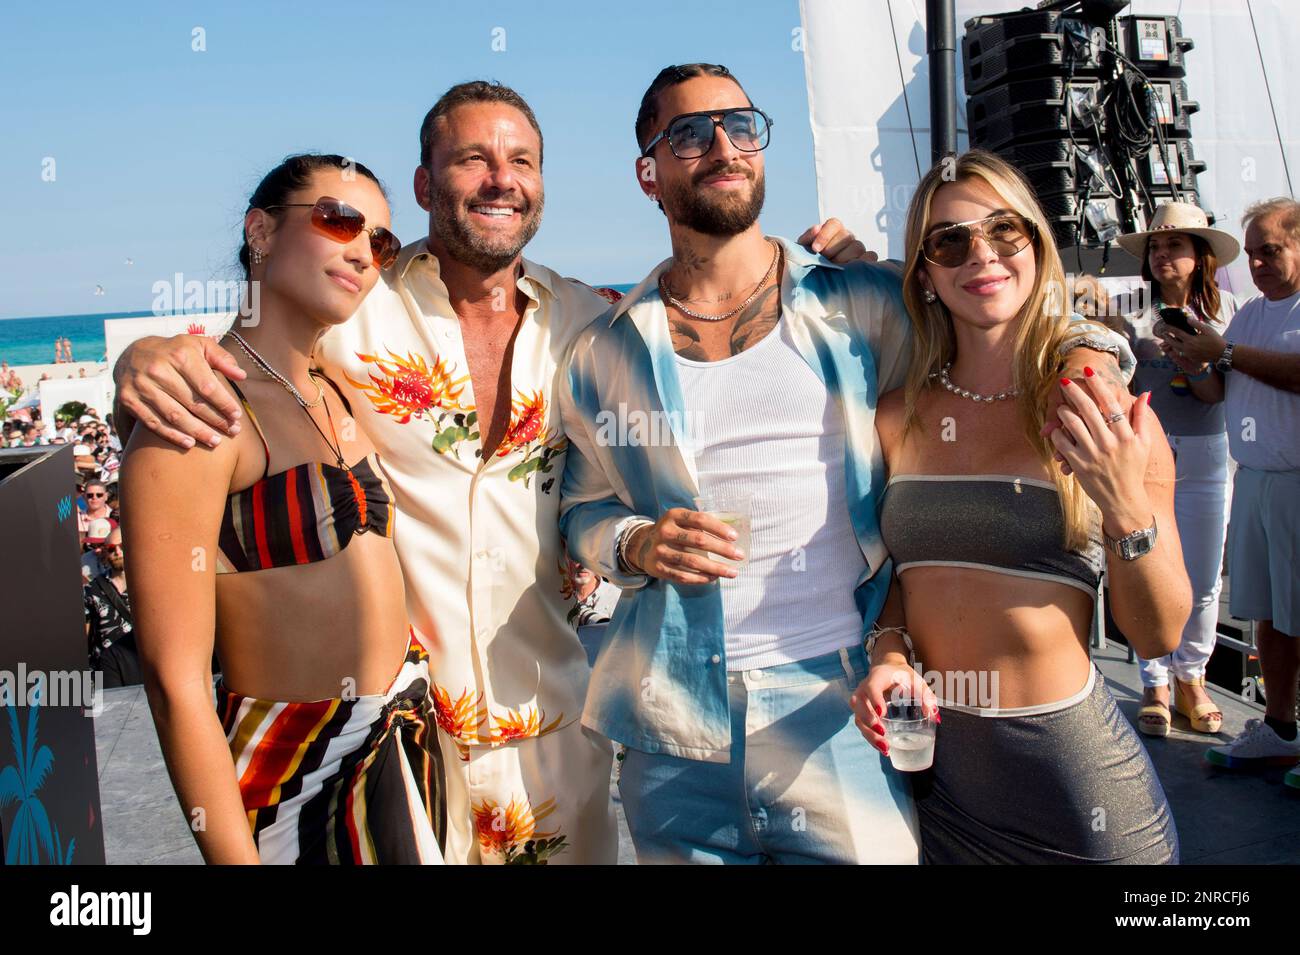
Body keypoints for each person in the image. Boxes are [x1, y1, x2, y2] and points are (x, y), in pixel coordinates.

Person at [112, 82, 869, 864]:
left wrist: (844, 276)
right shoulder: (353, 305)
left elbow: (710, 323)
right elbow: (244, 366)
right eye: (473, 159)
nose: (501, 178)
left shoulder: (592, 324)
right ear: (424, 184)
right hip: (402, 752)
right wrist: (139, 366)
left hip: (558, 740)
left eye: (522, 161)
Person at [557, 67, 1135, 864]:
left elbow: (998, 308)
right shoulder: (605, 347)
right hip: (671, 720)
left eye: (741, 124)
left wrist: (1090, 349)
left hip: (843, 703)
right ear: (648, 172)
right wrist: (635, 545)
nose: (723, 146)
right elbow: (581, 510)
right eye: (690, 133)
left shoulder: (859, 301)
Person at [849, 149, 1189, 863]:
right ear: (926, 275)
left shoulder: (1106, 412)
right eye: (950, 241)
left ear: (1036, 242)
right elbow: (900, 585)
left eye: (1005, 231)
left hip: (1079, 789)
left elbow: (1157, 633)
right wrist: (887, 653)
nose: (982, 255)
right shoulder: (894, 418)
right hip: (942, 788)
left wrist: (1125, 504)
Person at [121, 153, 446, 864]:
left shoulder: (339, 388)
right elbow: (173, 680)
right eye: (339, 220)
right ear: (261, 232)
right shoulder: (199, 410)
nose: (362, 250)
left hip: (404, 756)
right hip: (297, 782)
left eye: (382, 242)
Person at [1158, 197, 1300, 787]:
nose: (1261, 264)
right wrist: (1192, 360)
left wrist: (1224, 353)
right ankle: (1279, 727)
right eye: (1256, 253)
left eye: (1273, 250)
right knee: (1270, 612)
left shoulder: (1253, 324)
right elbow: (1217, 394)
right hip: (1258, 480)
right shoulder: (1248, 317)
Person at [1114, 202, 1241, 737]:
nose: (1163, 255)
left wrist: (1199, 361)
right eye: (1156, 248)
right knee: (1147, 565)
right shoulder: (1127, 308)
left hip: (1208, 450)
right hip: (1147, 453)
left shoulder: (1230, 310)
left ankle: (1192, 678)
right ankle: (1155, 682)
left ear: (1201, 256)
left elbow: (1219, 395)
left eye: (1175, 246)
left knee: (1203, 576)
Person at [84, 526, 140, 687]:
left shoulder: (150, 587)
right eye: (110, 548)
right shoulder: (91, 590)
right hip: (106, 672)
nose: (117, 551)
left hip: (140, 666)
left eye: (122, 546)